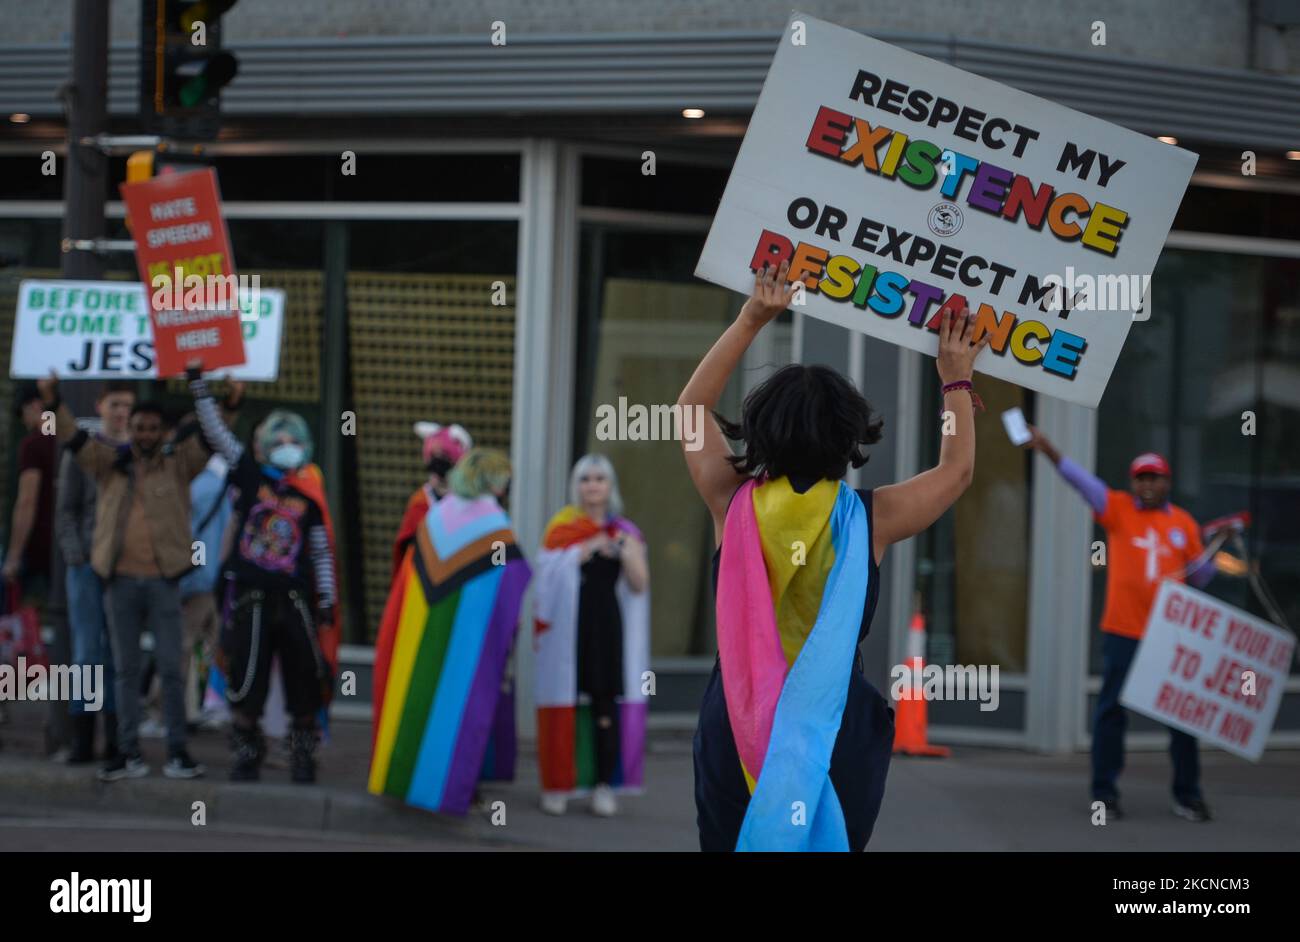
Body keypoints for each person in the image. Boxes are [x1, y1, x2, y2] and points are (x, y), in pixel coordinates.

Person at [680, 261, 989, 851]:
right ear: (850, 440)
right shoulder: (870, 518)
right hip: (835, 727)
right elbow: (958, 471)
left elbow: (692, 410)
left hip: (738, 722)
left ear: (759, 430)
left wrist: (753, 317)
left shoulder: (731, 503)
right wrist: (954, 378)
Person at [1025, 426, 1217, 822]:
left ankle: (1187, 793)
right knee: (1112, 713)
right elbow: (1083, 483)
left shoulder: (1182, 522)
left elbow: (1201, 576)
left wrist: (1219, 544)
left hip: (1169, 633)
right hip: (1124, 629)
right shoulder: (1118, 509)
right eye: (1141, 478)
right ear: (1133, 482)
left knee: (1181, 717)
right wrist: (1048, 448)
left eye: (1154, 478)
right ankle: (1104, 793)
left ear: (1167, 482)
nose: (1147, 485)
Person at [38, 373, 208, 782]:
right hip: (114, 579)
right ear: (125, 427)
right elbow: (72, 439)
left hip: (165, 582)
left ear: (162, 431)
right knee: (115, 666)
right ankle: (120, 750)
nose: (146, 434)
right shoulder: (107, 462)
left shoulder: (177, 466)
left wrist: (204, 386)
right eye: (138, 427)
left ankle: (176, 752)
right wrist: (53, 399)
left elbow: (212, 436)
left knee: (169, 667)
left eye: (152, 427)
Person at [186, 362, 339, 784]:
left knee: (305, 684)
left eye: (294, 440)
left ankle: (303, 759)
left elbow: (321, 551)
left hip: (295, 603)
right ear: (267, 444)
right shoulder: (249, 474)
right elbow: (216, 433)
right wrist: (199, 384)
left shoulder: (308, 497)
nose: (287, 446)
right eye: (280, 439)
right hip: (251, 599)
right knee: (246, 681)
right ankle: (246, 757)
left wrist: (326, 599)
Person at [369, 448, 532, 815]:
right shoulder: (494, 524)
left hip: (423, 631)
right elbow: (510, 579)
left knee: (420, 699)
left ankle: (407, 782)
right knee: (463, 706)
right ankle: (459, 789)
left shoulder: (437, 517)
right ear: (494, 482)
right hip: (468, 639)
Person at [534, 454, 649, 817]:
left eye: (600, 479)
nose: (593, 486)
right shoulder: (561, 529)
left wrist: (624, 550)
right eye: (586, 479)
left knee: (604, 704)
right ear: (577, 486)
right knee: (563, 702)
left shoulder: (626, 531)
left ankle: (603, 784)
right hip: (567, 629)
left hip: (605, 627)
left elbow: (640, 583)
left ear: (610, 486)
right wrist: (581, 552)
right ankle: (557, 784)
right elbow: (543, 580)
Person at [55, 381, 135, 764]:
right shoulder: (81, 452)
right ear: (101, 405)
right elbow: (66, 509)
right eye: (115, 404)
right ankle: (82, 738)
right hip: (88, 565)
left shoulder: (139, 454)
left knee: (119, 653)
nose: (121, 412)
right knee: (87, 651)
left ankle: (118, 740)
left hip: (127, 567)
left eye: (127, 406)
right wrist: (77, 557)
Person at [391, 422, 472, 578]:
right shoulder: (419, 502)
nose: (438, 467)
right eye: (433, 459)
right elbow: (405, 551)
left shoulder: (467, 504)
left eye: (444, 458)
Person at [4, 383, 58, 611]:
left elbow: (27, 501)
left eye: (23, 413)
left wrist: (14, 555)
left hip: (38, 545)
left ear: (35, 406)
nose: (24, 421)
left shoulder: (34, 445)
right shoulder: (61, 441)